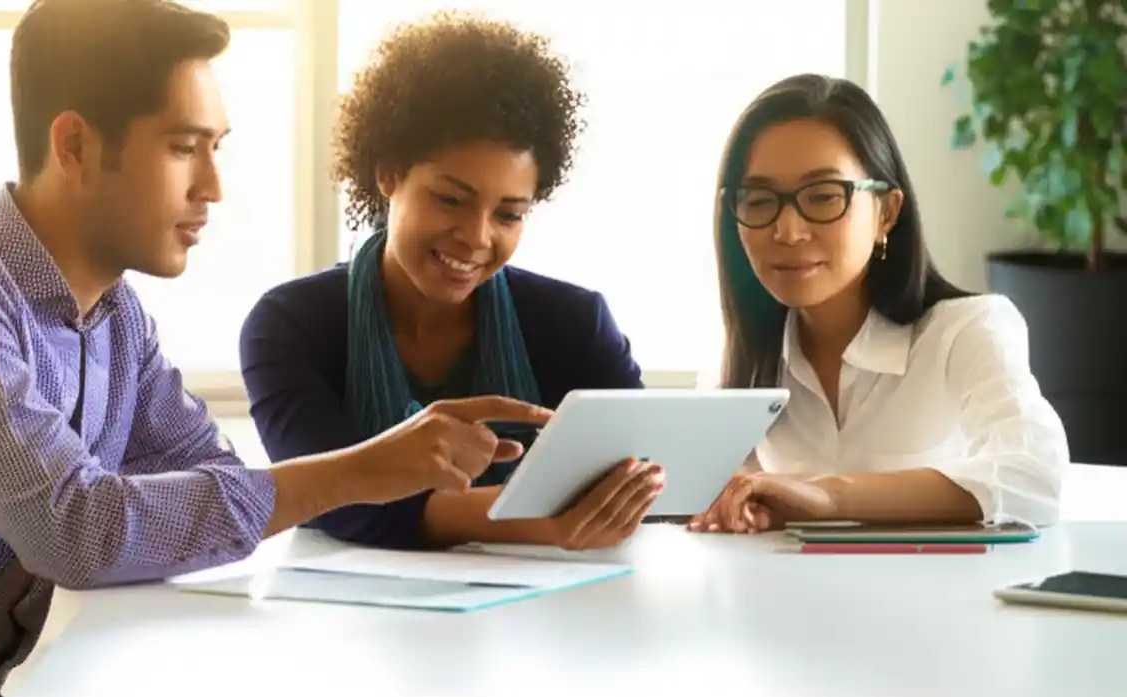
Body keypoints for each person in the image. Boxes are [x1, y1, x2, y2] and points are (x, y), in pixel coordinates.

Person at [0, 2, 553, 697]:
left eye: (217, 147)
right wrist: (364, 469)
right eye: (185, 147)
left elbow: (211, 476)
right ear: (76, 146)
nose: (213, 186)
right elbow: (77, 530)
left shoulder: (118, 321)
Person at [240, 12, 664, 553]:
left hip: (554, 614)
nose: (475, 237)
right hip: (349, 616)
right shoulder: (290, 325)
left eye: (509, 215)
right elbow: (328, 498)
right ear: (389, 172)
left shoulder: (575, 322)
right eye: (451, 200)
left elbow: (642, 474)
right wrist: (534, 522)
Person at [690, 74, 1069, 535]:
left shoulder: (966, 331)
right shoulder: (740, 367)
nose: (787, 231)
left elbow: (1035, 477)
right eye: (759, 201)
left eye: (824, 196)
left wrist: (830, 495)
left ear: (886, 212)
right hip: (785, 602)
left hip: (942, 603)